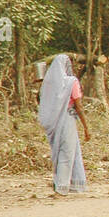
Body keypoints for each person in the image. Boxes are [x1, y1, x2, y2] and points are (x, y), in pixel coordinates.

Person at [37, 54, 90, 196]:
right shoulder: (71, 82)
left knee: (65, 151)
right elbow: (79, 106)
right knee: (67, 151)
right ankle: (62, 186)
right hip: (68, 119)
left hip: (54, 121)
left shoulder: (49, 84)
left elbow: (42, 101)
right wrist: (85, 127)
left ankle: (72, 183)